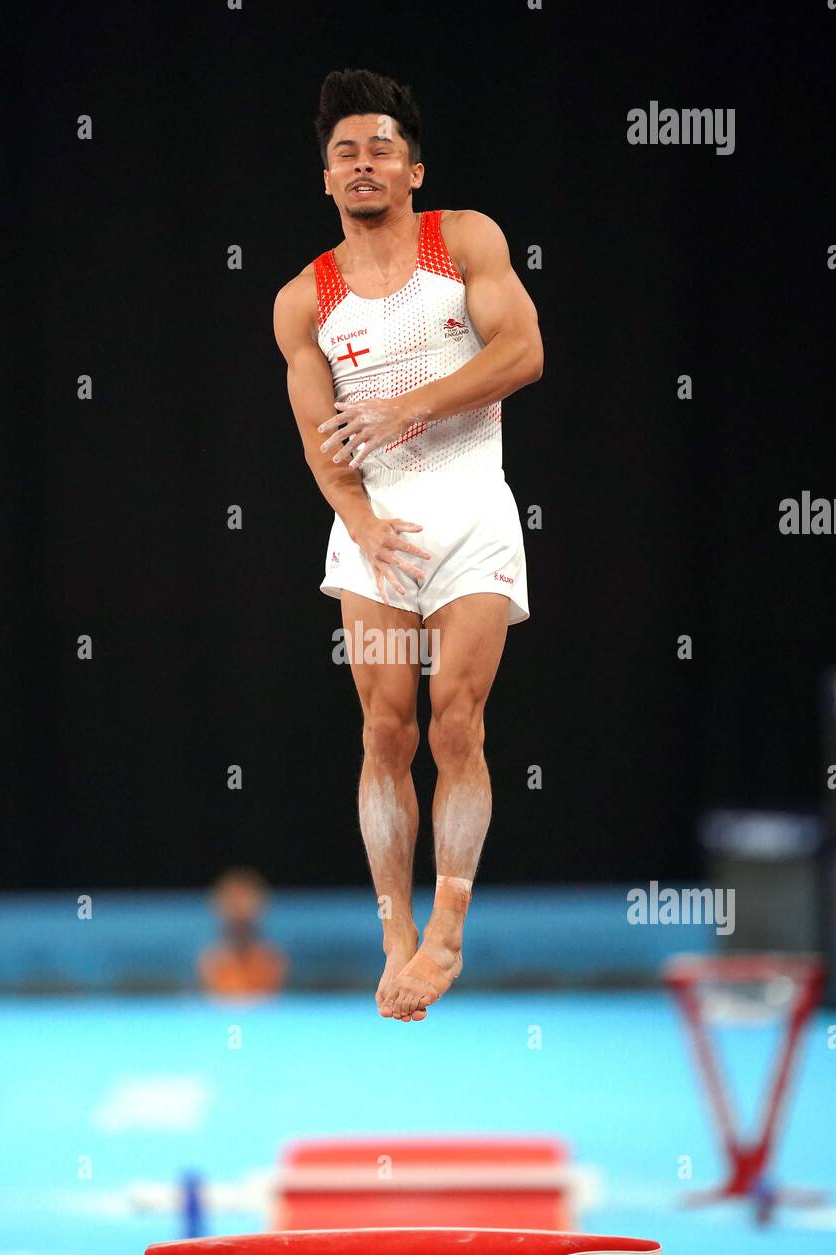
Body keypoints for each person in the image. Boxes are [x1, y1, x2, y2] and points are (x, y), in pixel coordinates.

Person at [273, 69, 544, 1022]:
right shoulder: (302, 301)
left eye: (380, 147)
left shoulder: (465, 240)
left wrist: (407, 407)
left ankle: (450, 931)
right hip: (377, 531)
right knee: (384, 730)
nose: (362, 163)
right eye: (344, 152)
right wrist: (360, 524)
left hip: (470, 508)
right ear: (326, 179)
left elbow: (523, 355)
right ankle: (395, 932)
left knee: (453, 724)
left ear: (413, 168)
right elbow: (321, 442)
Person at [197, 868, 288, 997]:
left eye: (245, 906)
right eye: (233, 906)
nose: (239, 913)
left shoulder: (274, 963)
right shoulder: (208, 964)